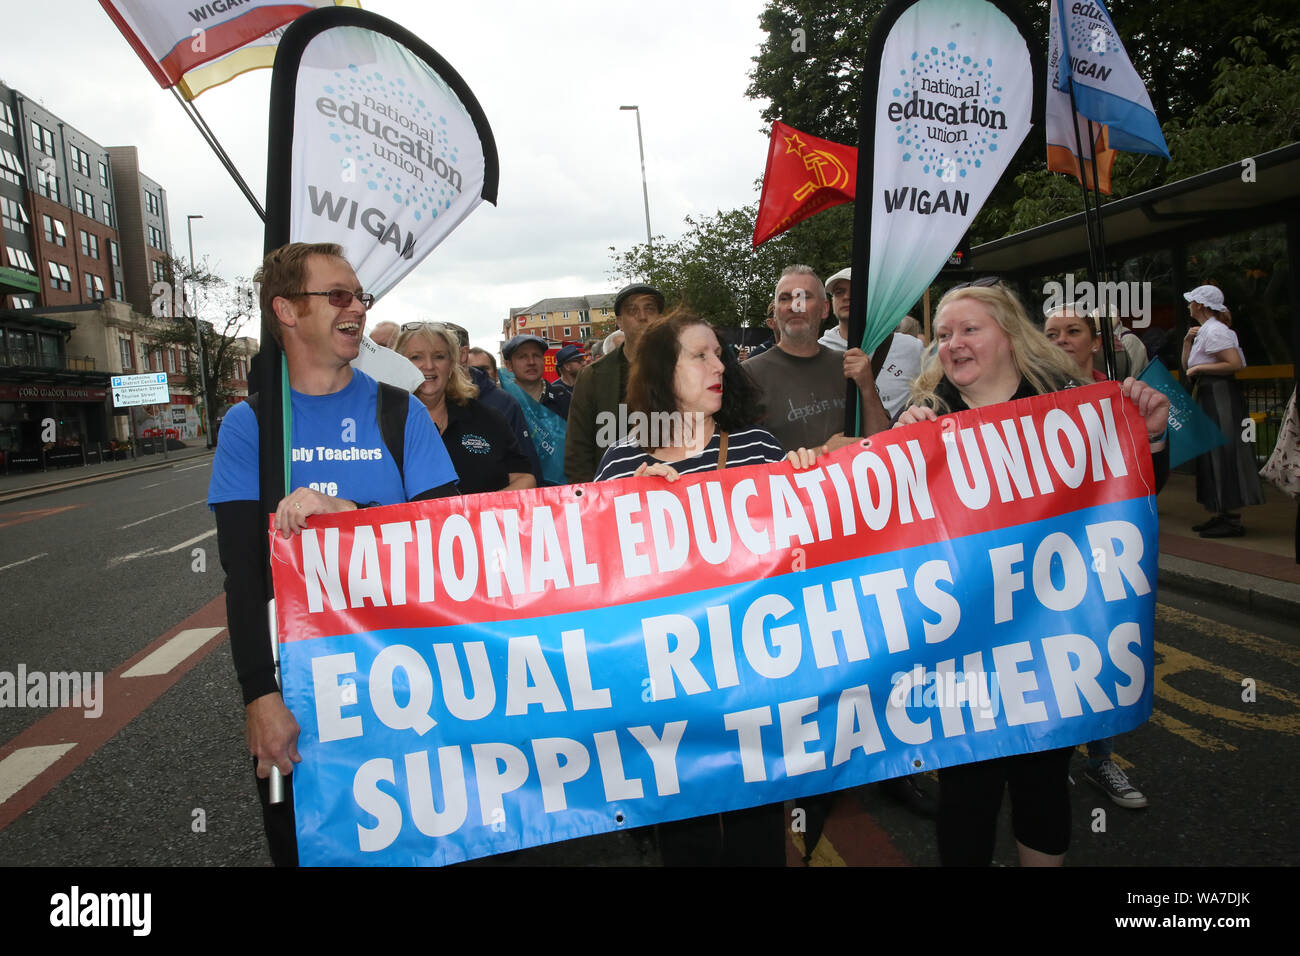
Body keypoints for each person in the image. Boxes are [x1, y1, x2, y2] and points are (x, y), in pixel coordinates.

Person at [897, 283, 1169, 867]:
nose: (953, 344)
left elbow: (1134, 493)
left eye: (969, 330)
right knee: (967, 791)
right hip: (961, 646)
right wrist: (897, 451)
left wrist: (1150, 435)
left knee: (1041, 778)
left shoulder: (1074, 406)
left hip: (1047, 638)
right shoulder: (926, 420)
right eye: (943, 335)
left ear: (1009, 336)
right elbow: (886, 527)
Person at [208, 242, 459, 867]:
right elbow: (244, 578)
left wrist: (349, 517)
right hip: (302, 691)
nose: (356, 310)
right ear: (287, 311)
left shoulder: (399, 412)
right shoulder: (251, 426)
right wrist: (259, 698)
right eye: (338, 296)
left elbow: (452, 544)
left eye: (359, 297)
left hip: (412, 683)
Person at [593, 309, 814, 865]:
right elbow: (589, 572)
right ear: (664, 373)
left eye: (720, 353)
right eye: (700, 355)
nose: (719, 364)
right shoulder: (622, 460)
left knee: (756, 827)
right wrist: (622, 504)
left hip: (750, 676)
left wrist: (811, 477)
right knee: (685, 834)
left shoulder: (759, 450)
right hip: (666, 685)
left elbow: (802, 551)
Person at [1043, 305, 1152, 810]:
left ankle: (1100, 758)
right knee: (1056, 651)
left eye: (1073, 331)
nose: (1062, 340)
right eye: (1051, 333)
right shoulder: (1028, 397)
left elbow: (1150, 471)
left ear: (1095, 339)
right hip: (1047, 553)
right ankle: (1049, 759)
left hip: (1105, 550)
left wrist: (1154, 431)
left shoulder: (1122, 395)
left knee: (1105, 644)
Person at [394, 321, 536, 495]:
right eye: (416, 357)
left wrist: (482, 509)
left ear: (452, 364)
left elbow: (525, 478)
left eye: (439, 356)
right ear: (399, 363)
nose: (429, 365)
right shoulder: (382, 422)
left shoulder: (487, 418)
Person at [1180, 284, 1263, 537]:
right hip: (1210, 394)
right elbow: (1188, 366)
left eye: (1192, 301)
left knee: (1225, 451)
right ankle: (1222, 513)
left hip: (1220, 395)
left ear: (1201, 306)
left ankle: (1232, 518)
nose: (1189, 305)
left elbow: (1234, 364)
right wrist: (1187, 342)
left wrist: (1200, 370)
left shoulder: (1216, 331)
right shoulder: (1206, 331)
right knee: (1213, 452)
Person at [565, 282, 663, 483]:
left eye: (650, 309)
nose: (642, 316)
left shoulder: (683, 367)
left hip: (675, 482)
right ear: (619, 321)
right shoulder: (593, 376)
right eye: (632, 310)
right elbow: (578, 448)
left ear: (660, 317)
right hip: (615, 490)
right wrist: (592, 501)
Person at [821, 266, 924, 419]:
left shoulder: (912, 348)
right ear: (832, 302)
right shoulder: (819, 350)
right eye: (839, 292)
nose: (847, 296)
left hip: (895, 440)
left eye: (857, 290)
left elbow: (933, 398)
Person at [500, 333, 568, 484]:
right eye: (522, 357)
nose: (531, 362)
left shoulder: (564, 398)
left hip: (563, 490)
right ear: (509, 365)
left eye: (536, 356)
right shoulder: (502, 405)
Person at [547, 343, 585, 418]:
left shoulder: (586, 385)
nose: (584, 363)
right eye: (579, 361)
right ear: (567, 367)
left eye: (583, 360)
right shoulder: (553, 392)